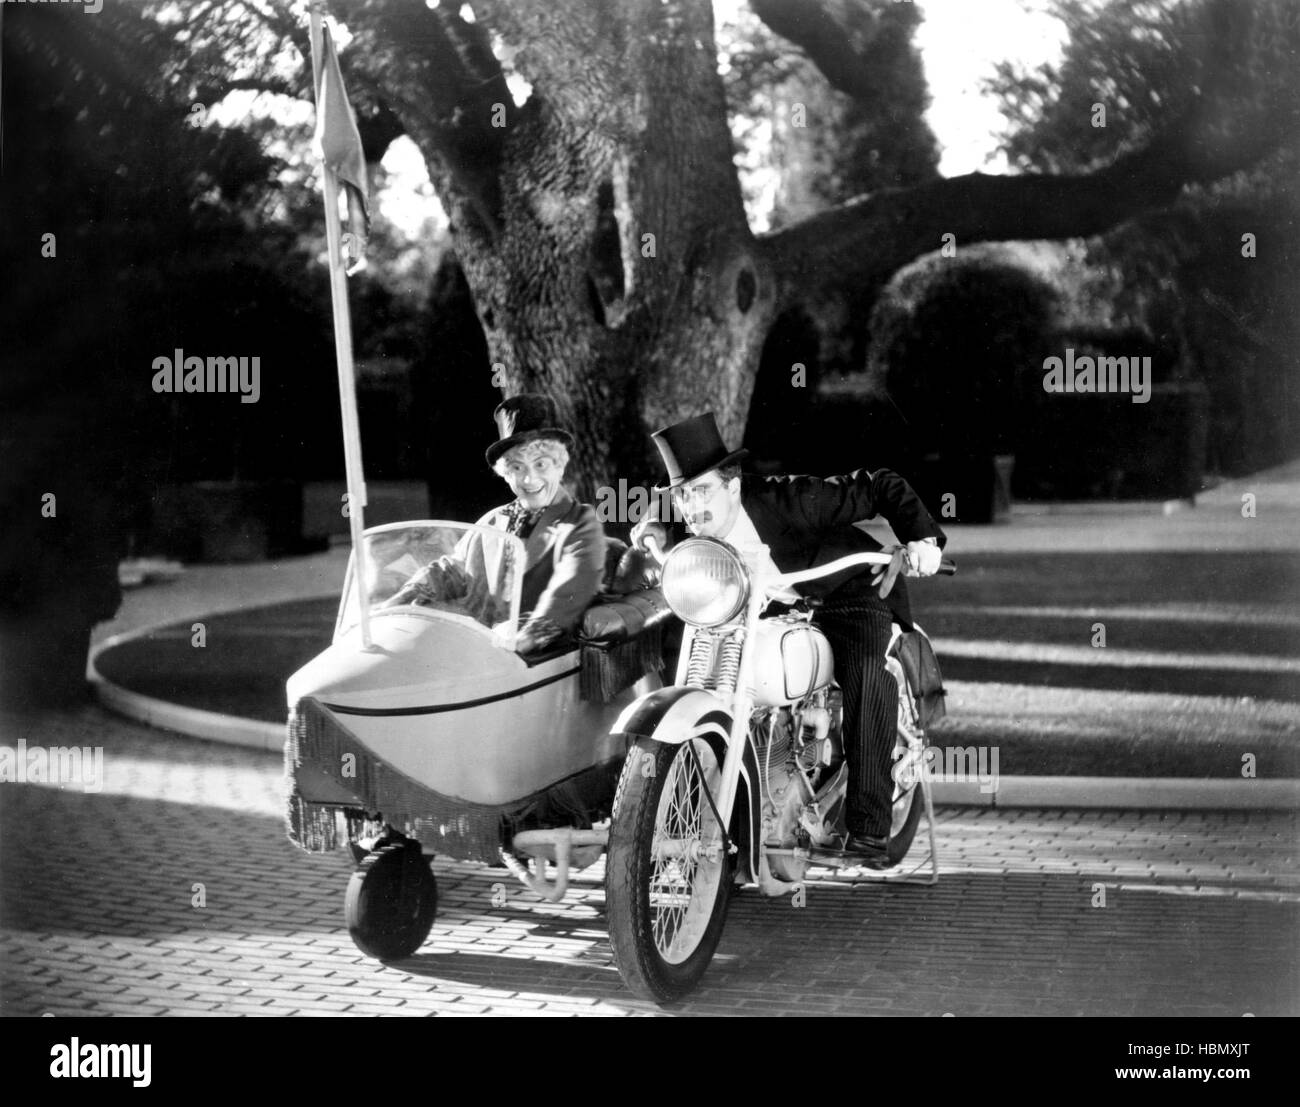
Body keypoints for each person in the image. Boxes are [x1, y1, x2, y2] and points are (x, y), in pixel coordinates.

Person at [632, 413, 946, 864]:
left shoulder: (790, 499)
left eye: (702, 491)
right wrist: (652, 525)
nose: (692, 506)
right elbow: (671, 504)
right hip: (767, 606)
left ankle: (870, 827)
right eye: (683, 495)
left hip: (846, 592)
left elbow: (879, 485)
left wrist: (923, 542)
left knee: (864, 673)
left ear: (734, 486)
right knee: (681, 646)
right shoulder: (691, 522)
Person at [387, 394, 605, 654]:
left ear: (560, 467)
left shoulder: (579, 521)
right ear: (505, 474)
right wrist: (402, 599)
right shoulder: (493, 520)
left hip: (538, 656)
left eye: (541, 464)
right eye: (517, 467)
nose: (529, 478)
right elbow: (454, 570)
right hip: (481, 650)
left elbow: (573, 585)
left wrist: (528, 637)